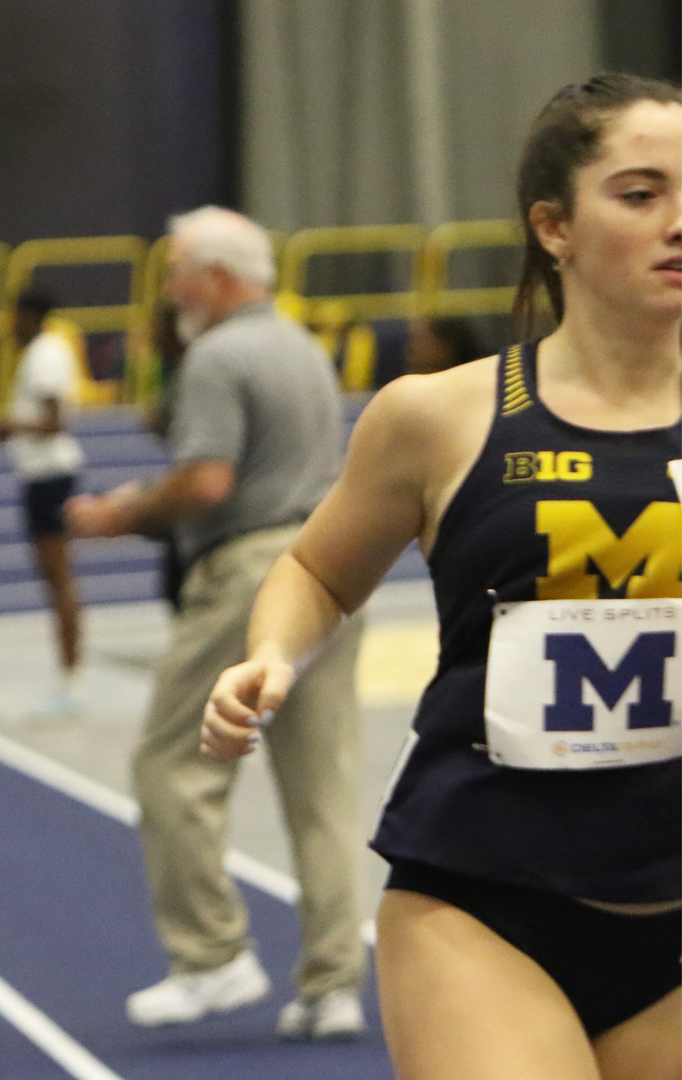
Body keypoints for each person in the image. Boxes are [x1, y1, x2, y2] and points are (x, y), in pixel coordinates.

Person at [202, 74, 681, 1080]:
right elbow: (316, 572)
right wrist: (270, 658)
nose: (678, 222)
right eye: (641, 194)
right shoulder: (441, 417)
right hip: (485, 903)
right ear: (554, 226)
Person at [66, 206, 367, 1037]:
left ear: (219, 276)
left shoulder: (220, 354)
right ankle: (334, 983)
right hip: (332, 570)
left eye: (179, 274)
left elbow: (204, 483)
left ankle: (211, 956)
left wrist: (122, 513)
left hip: (250, 572)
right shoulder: (303, 348)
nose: (169, 291)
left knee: (173, 762)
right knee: (323, 789)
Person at [0, 289, 86, 714]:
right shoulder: (43, 352)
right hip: (42, 477)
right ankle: (67, 674)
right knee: (55, 579)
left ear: (31, 316)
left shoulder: (45, 353)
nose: (10, 324)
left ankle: (70, 679)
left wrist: (2, 424)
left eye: (15, 315)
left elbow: (55, 422)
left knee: (60, 579)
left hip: (52, 477)